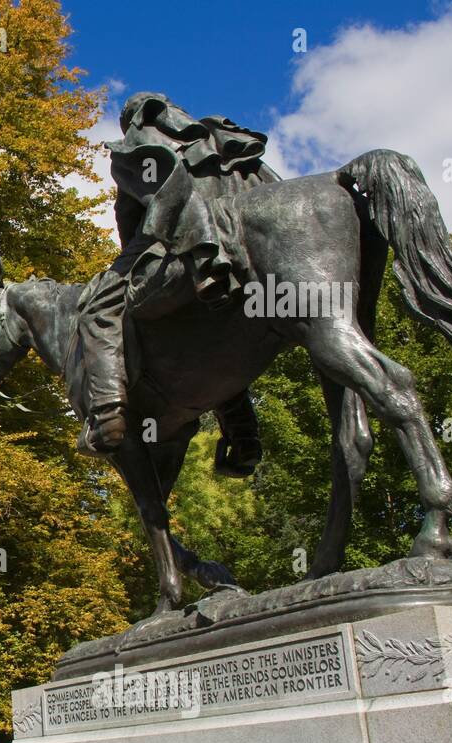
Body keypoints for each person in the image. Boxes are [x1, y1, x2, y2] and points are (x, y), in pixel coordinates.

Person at [75, 91, 277, 470]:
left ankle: (108, 416)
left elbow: (131, 225)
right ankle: (243, 432)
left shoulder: (136, 148)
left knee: (96, 307)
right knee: (214, 343)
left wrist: (127, 267)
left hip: (185, 246)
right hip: (244, 242)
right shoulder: (219, 137)